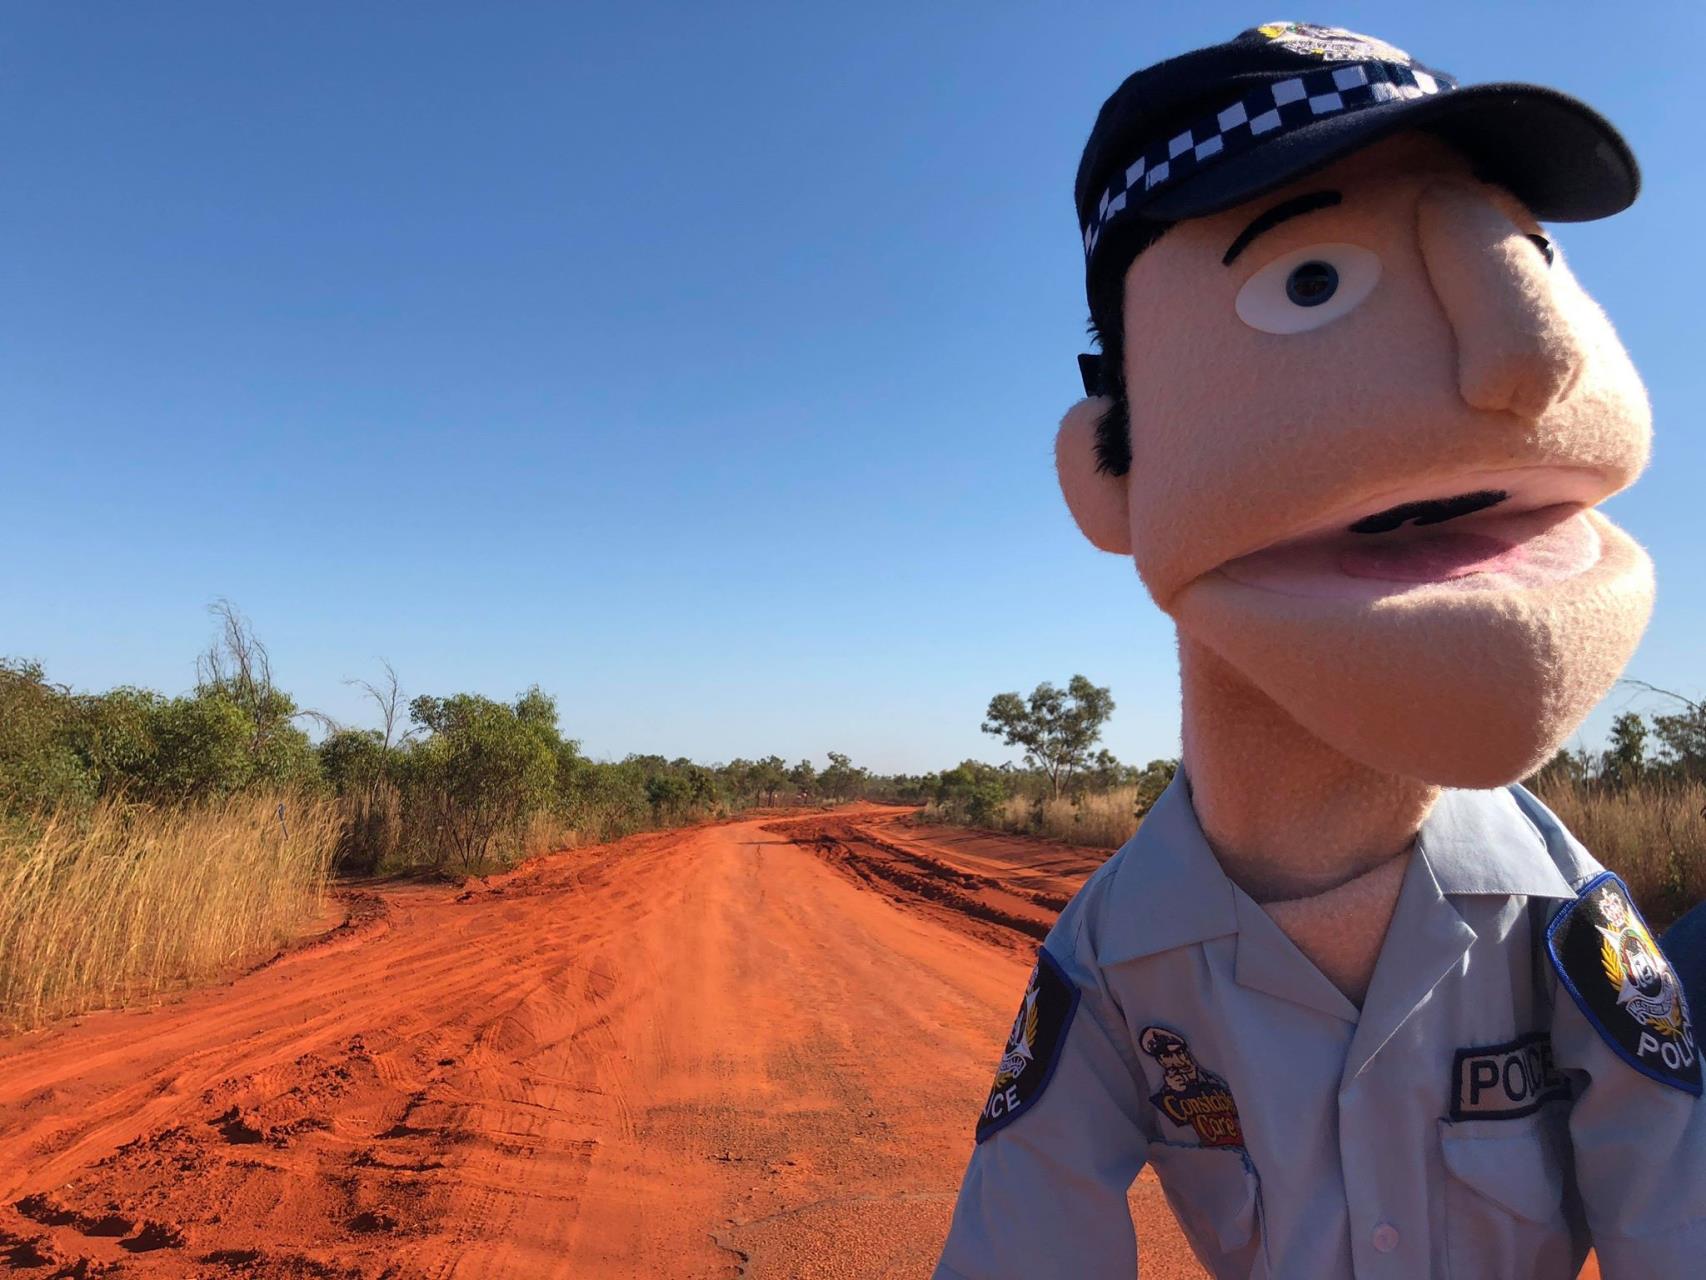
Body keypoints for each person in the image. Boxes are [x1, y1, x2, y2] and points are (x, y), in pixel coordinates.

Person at [935, 23, 1702, 1280]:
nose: (1524, 356)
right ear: (1108, 467)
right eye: (1310, 279)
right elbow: (1026, 1223)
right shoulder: (1118, 953)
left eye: (1522, 254)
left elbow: (1674, 1208)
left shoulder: (1565, 920)